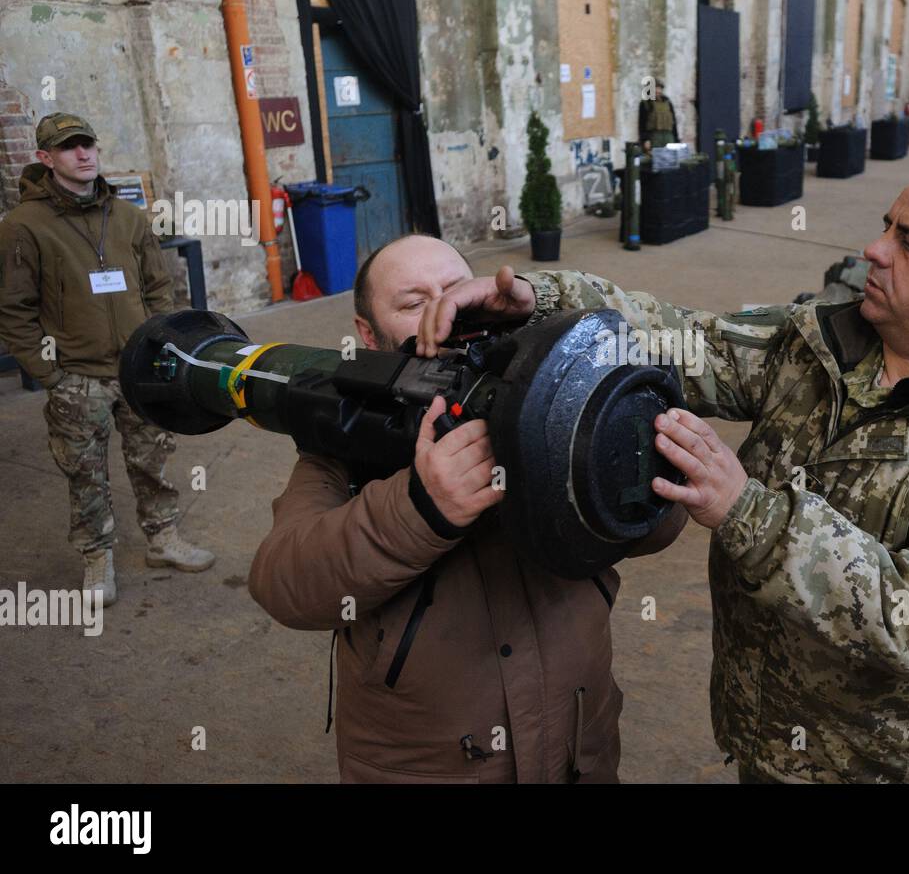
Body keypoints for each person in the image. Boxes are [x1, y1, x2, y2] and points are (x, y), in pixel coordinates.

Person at [417, 159, 909, 783]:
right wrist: (545, 303)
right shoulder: (823, 344)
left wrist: (749, 512)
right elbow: (689, 341)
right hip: (770, 737)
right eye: (885, 225)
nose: (875, 249)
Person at [249, 234, 684, 783]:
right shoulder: (347, 433)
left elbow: (660, 526)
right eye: (411, 303)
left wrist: (613, 461)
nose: (441, 313)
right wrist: (418, 509)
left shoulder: (558, 396)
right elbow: (285, 585)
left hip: (581, 752)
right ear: (368, 333)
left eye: (454, 290)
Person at [0, 112, 214, 607]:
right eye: (70, 147)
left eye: (88, 144)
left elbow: (159, 287)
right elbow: (13, 311)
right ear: (45, 158)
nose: (84, 154)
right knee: (85, 473)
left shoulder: (128, 217)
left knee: (153, 459)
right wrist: (51, 375)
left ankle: (163, 538)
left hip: (138, 370)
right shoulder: (21, 227)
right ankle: (97, 558)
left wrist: (161, 345)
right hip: (78, 376)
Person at [639, 79, 679, 151]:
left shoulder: (668, 102)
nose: (658, 91)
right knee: (656, 159)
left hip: (669, 136)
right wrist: (645, 139)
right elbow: (642, 124)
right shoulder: (646, 103)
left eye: (659, 88)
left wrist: (676, 140)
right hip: (654, 137)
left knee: (670, 158)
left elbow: (674, 123)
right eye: (655, 88)